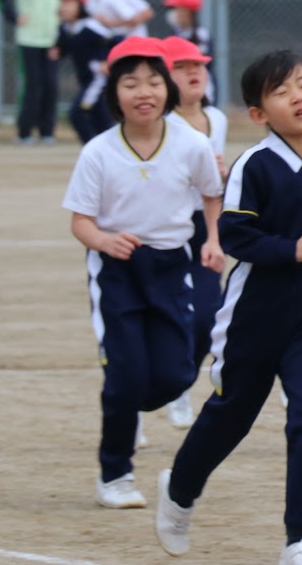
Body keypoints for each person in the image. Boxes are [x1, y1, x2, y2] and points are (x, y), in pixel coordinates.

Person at [154, 51, 302, 565]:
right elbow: (236, 236)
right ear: (259, 114)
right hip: (255, 317)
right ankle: (179, 490)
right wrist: (294, 248)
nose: (300, 96)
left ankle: (300, 541)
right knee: (231, 415)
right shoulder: (257, 165)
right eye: (281, 91)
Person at [62, 36, 223, 510]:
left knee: (175, 376)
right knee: (125, 377)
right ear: (115, 94)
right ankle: (115, 473)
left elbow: (211, 194)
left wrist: (213, 240)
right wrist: (105, 241)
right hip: (117, 270)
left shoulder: (192, 145)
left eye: (154, 80)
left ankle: (137, 400)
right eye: (130, 83)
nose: (144, 91)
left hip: (172, 265)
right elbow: (79, 222)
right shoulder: (98, 152)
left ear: (168, 89)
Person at [155, 33, 228, 430]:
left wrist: (222, 172)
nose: (193, 73)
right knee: (162, 317)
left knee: (206, 317)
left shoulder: (215, 119)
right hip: (164, 225)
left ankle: (182, 383)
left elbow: (212, 184)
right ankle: (142, 398)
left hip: (205, 225)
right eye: (180, 68)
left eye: (197, 65)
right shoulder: (160, 122)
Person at [0, 0, 65, 146]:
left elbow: (70, 6)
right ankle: (24, 132)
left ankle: (47, 132)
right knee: (33, 85)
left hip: (52, 41)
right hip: (29, 40)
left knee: (51, 86)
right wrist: (15, 16)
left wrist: (61, 38)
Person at [55, 0, 114, 145]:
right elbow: (64, 47)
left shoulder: (91, 26)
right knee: (100, 117)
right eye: (62, 3)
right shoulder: (66, 27)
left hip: (98, 78)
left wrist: (108, 61)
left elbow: (115, 41)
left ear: (81, 6)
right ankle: (108, 149)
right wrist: (57, 51)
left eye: (69, 3)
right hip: (85, 79)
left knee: (77, 112)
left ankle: (91, 148)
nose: (64, 8)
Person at [161, 0, 215, 102]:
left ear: (187, 11)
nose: (172, 13)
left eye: (175, 9)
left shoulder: (201, 35)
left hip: (199, 89)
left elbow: (205, 66)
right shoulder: (175, 33)